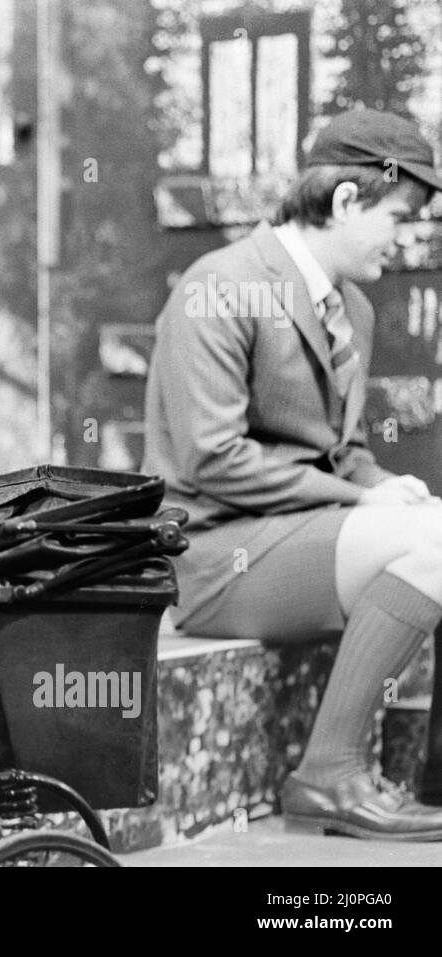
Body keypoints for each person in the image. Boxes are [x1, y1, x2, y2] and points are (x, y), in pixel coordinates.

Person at [143, 109, 442, 840]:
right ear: (346, 200)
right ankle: (329, 775)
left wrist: (386, 487)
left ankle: (434, 778)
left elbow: (343, 452)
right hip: (216, 557)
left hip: (299, 537)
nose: (410, 239)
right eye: (401, 217)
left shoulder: (355, 310)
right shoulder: (218, 286)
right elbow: (211, 457)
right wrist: (362, 495)